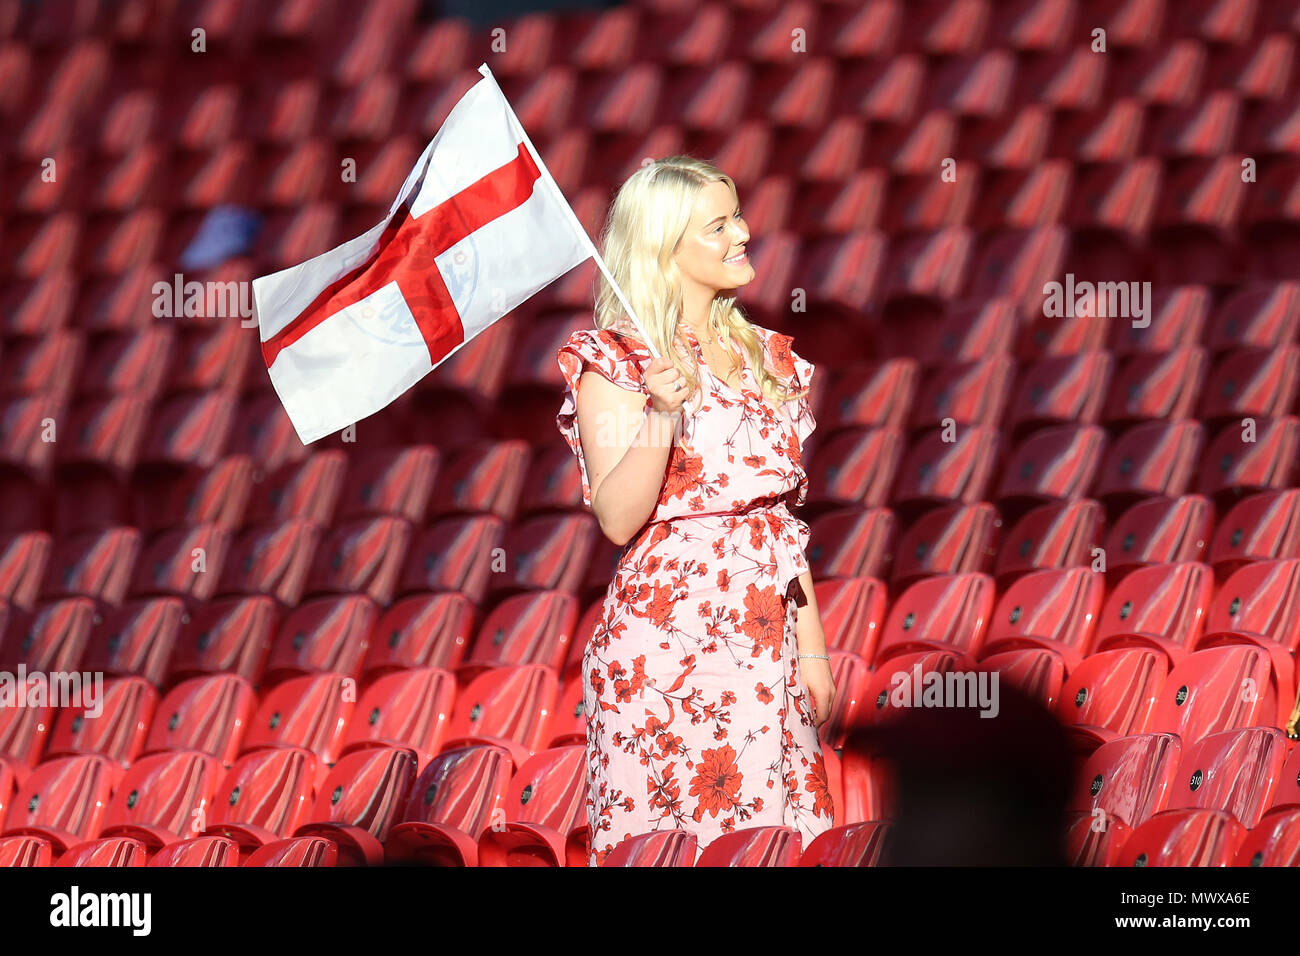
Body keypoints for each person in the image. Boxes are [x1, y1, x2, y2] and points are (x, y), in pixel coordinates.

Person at [554, 156, 835, 867]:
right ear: (664, 246)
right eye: (718, 225)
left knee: (775, 845)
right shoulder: (614, 360)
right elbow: (618, 518)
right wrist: (659, 413)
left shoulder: (768, 358)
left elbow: (780, 521)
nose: (742, 233)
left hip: (768, 641)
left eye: (736, 215)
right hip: (666, 651)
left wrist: (813, 649)